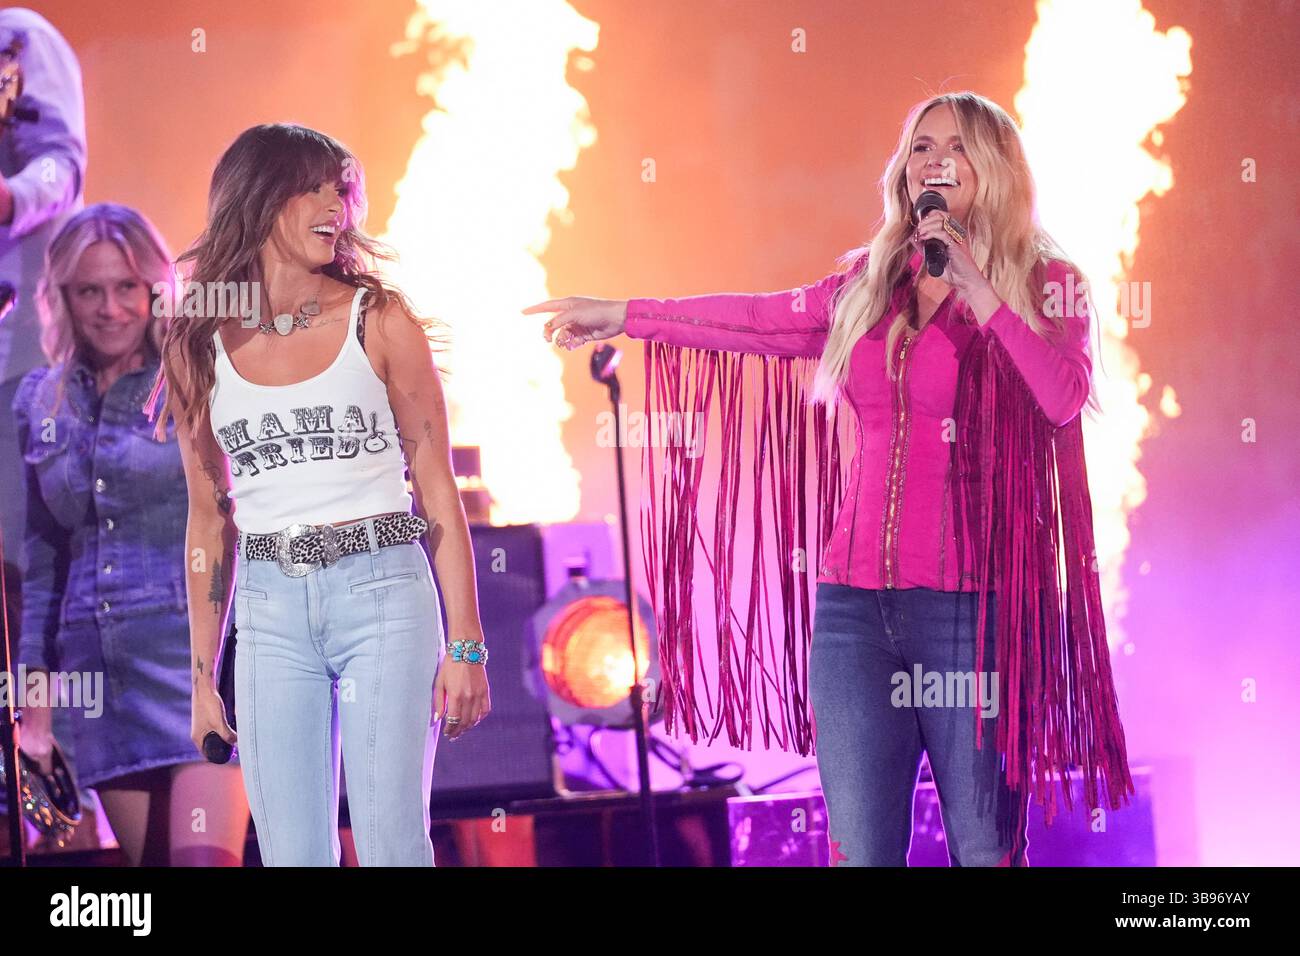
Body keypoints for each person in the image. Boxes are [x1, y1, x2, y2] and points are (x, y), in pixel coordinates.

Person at [525, 91, 1133, 866]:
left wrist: (979, 287)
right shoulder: (872, 281)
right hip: (851, 614)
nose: (932, 160)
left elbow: (1062, 397)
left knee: (984, 852)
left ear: (997, 168)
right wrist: (626, 313)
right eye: (919, 146)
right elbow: (756, 319)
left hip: (971, 617)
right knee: (861, 854)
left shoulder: (1049, 282)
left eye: (954, 145)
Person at [147, 122, 491, 866]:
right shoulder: (196, 339)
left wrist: (465, 645)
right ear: (258, 196)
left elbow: (436, 489)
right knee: (292, 855)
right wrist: (203, 681)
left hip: (385, 593)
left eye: (341, 186)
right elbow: (208, 521)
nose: (335, 202)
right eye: (311, 185)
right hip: (269, 612)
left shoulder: (381, 319)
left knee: (391, 844)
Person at [12, 203, 250, 864]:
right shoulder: (41, 400)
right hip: (102, 684)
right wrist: (34, 719)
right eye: (90, 290)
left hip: (198, 668)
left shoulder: (198, 378)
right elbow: (43, 563)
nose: (110, 308)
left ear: (154, 290)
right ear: (63, 296)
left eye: (126, 288)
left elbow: (240, 521)